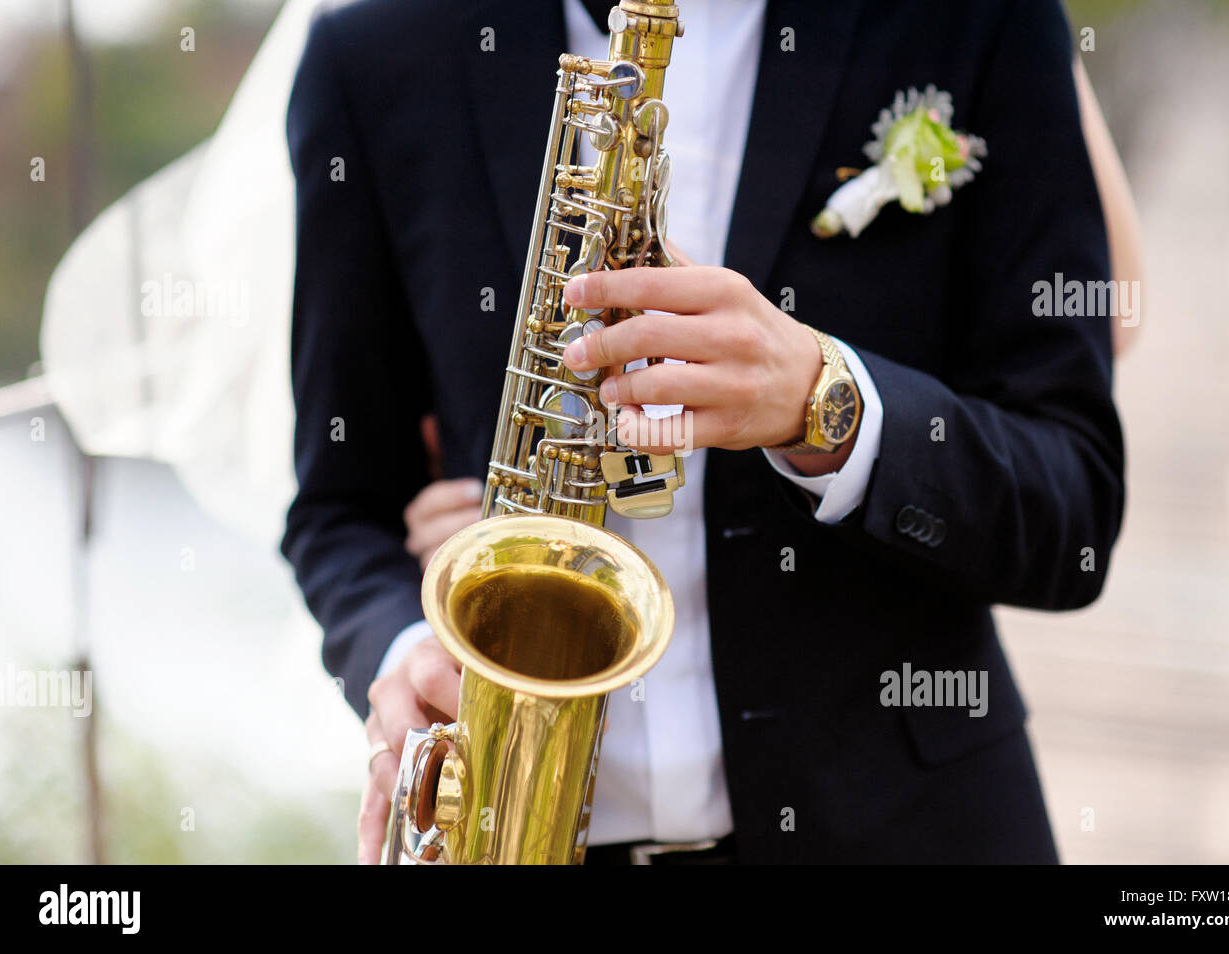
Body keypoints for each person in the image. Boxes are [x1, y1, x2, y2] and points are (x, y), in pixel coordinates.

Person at [283, 0, 1126, 864]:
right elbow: (340, 511)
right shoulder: (374, 52)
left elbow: (1076, 504)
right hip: (512, 826)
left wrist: (826, 404)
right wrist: (408, 646)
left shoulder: (980, 21)